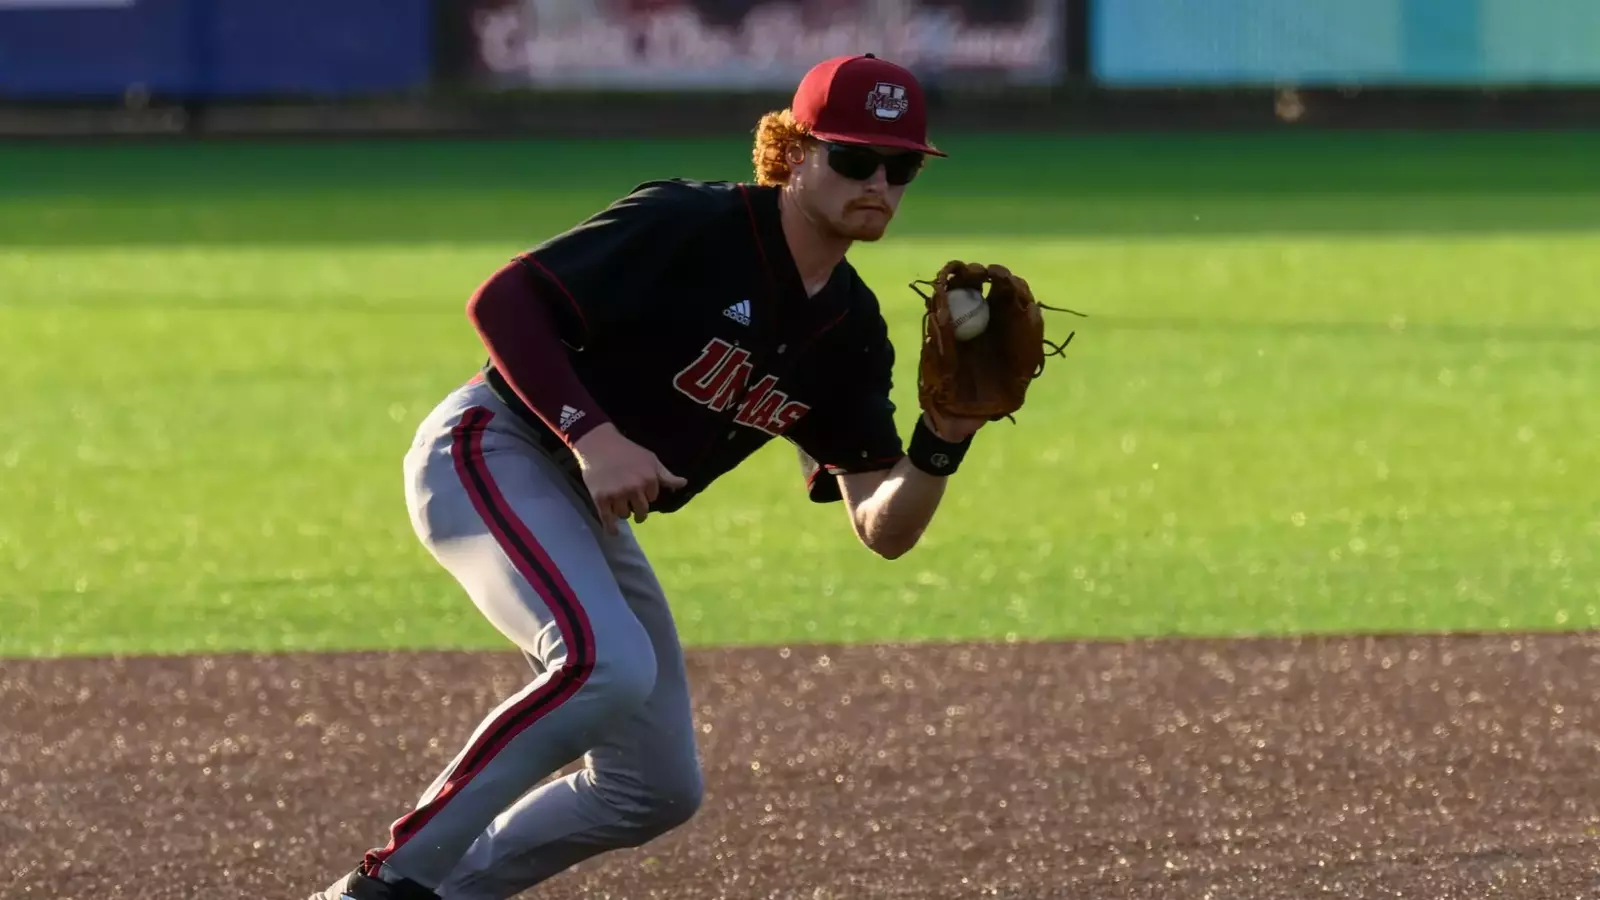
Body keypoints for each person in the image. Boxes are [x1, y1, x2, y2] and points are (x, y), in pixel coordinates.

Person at [310, 52, 989, 900]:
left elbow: (883, 527)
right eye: (854, 158)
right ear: (792, 152)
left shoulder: (849, 331)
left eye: (901, 168)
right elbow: (504, 301)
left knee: (655, 787)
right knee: (604, 663)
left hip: (584, 505)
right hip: (494, 449)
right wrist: (592, 434)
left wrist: (944, 437)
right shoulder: (692, 223)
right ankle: (383, 884)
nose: (878, 184)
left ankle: (444, 895)